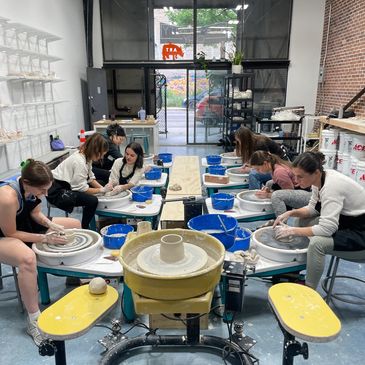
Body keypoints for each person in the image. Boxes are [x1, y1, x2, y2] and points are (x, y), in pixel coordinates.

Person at [0, 159, 81, 346]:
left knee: (74, 226)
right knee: (27, 258)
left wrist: (50, 224)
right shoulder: (7, 197)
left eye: (47, 190)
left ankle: (73, 276)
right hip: (4, 233)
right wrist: (44, 238)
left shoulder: (32, 186)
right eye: (42, 191)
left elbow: (36, 214)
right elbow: (11, 233)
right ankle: (33, 319)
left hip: (24, 224)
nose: (45, 195)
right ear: (27, 183)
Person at [273, 151, 365, 290]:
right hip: (346, 222)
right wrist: (291, 213)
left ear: (315, 172)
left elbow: (327, 229)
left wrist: (292, 230)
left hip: (360, 232)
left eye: (300, 177)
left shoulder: (331, 186)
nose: (296, 181)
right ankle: (295, 269)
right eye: (295, 175)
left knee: (317, 244)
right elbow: (312, 208)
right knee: (301, 220)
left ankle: (309, 290)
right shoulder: (320, 179)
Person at [47, 133, 109, 229]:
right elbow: (81, 188)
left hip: (67, 184)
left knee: (101, 184)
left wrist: (103, 188)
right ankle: (85, 228)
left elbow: (90, 178)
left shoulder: (86, 155)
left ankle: (92, 222)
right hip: (57, 191)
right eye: (101, 154)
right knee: (92, 201)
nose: (101, 158)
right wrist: (102, 191)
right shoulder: (79, 161)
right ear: (95, 150)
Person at [250, 150, 312, 218]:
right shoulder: (274, 165)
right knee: (269, 183)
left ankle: (281, 222)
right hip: (299, 189)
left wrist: (268, 195)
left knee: (276, 196)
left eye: (258, 169)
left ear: (265, 163)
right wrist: (268, 190)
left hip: (308, 196)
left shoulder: (279, 172)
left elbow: (289, 193)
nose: (257, 172)